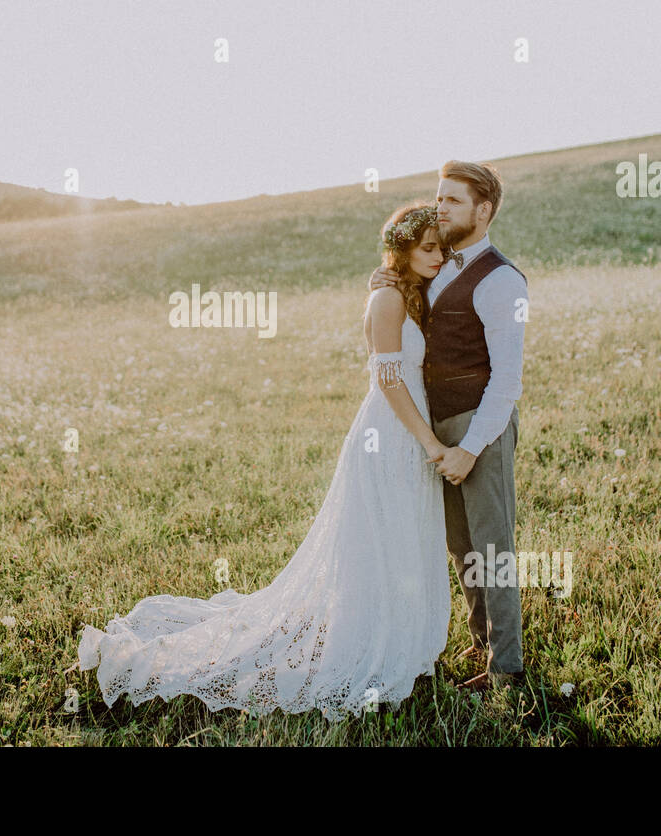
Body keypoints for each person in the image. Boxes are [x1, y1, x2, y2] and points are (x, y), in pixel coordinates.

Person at [75, 203, 451, 721]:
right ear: (402, 249)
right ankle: (369, 634)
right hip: (392, 432)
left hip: (409, 428)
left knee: (404, 532)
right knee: (382, 535)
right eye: (427, 248)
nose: (437, 256)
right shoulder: (387, 299)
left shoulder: (412, 291)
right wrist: (430, 442)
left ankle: (401, 629)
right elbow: (388, 380)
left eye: (440, 247)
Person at [369, 160, 528, 691]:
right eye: (439, 197)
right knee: (460, 544)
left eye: (454, 200)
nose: (441, 207)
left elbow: (507, 382)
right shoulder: (439, 268)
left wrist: (471, 447)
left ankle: (506, 670)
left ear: (484, 211)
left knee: (493, 546)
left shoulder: (502, 280)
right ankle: (480, 638)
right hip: (436, 430)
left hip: (480, 425)